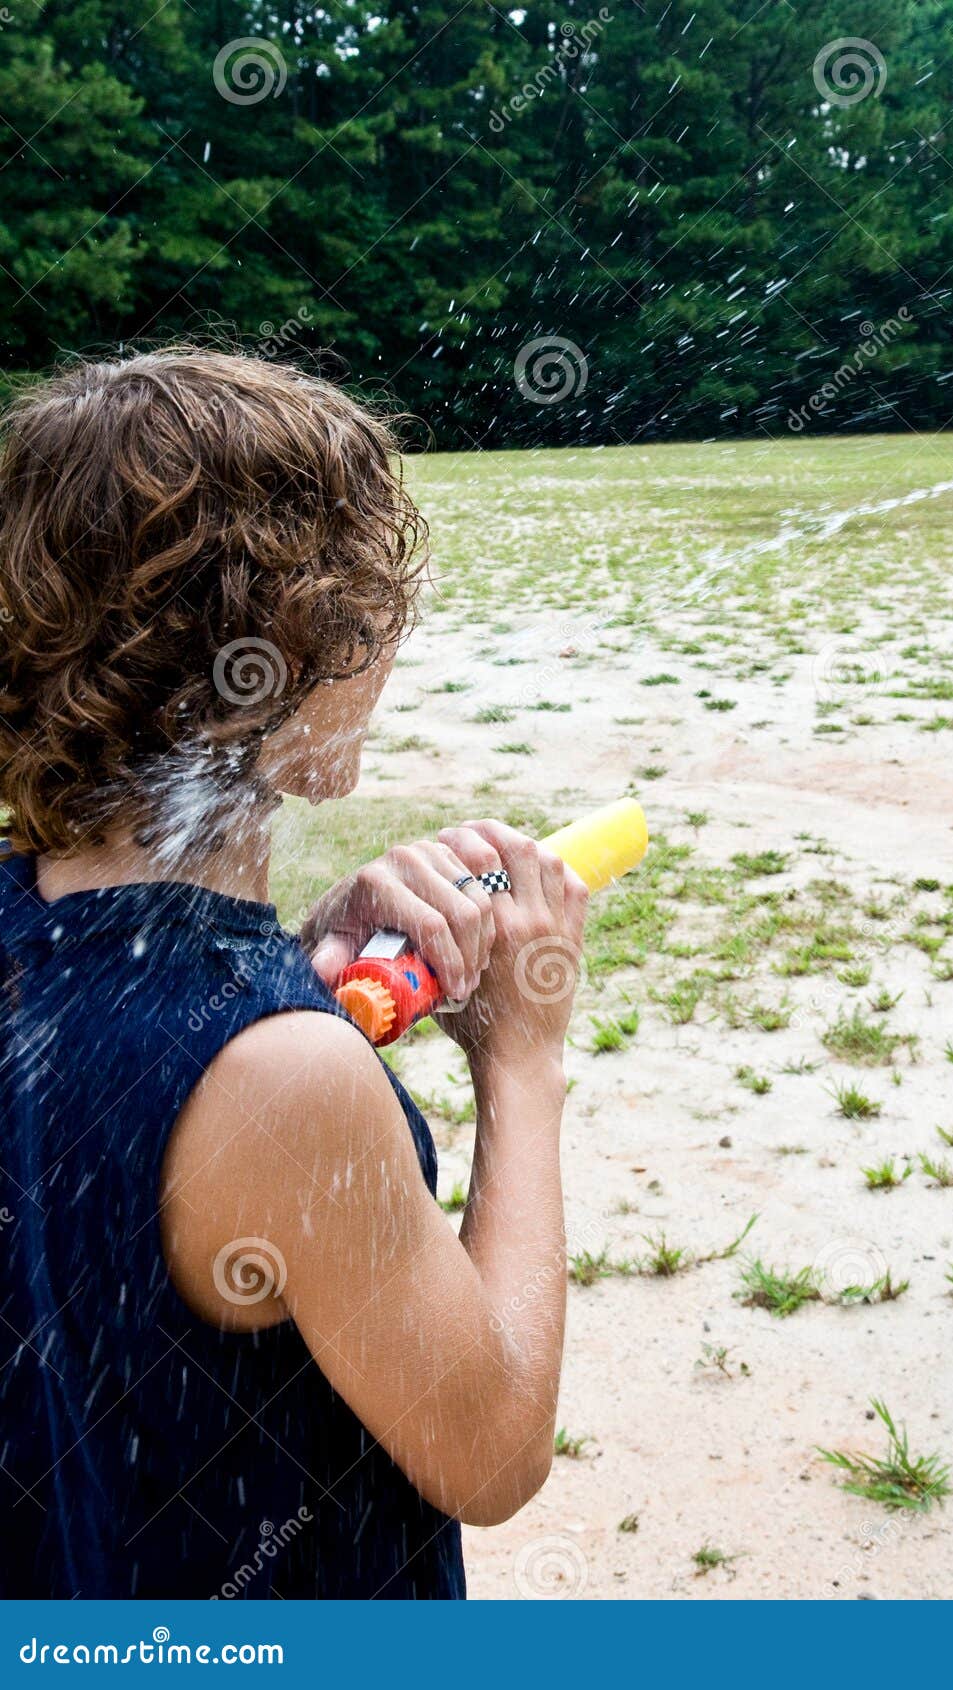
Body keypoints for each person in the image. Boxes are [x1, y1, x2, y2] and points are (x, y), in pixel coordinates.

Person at [0, 347, 587, 1596]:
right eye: (365, 617)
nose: (385, 650)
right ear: (278, 659)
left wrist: (286, 963)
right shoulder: (286, 1079)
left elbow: (119, 1078)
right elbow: (489, 1455)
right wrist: (521, 1062)